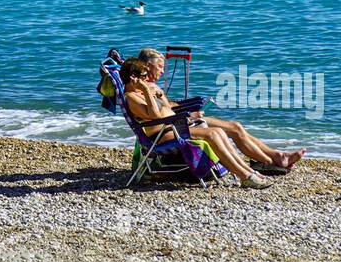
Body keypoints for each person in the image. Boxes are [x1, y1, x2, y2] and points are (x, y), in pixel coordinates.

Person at [137, 48, 305, 172]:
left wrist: (187, 110)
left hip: (180, 119)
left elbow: (165, 107)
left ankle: (277, 156)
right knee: (220, 131)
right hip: (172, 127)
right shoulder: (140, 90)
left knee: (235, 126)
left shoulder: (152, 85)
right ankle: (268, 162)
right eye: (159, 66)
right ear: (146, 66)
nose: (162, 71)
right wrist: (185, 114)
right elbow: (153, 117)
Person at [120, 57, 273, 188]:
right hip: (160, 135)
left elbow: (164, 109)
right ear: (134, 78)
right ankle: (245, 176)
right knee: (212, 134)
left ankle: (247, 171)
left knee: (218, 131)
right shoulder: (132, 97)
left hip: (172, 127)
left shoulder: (139, 93)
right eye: (144, 76)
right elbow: (154, 115)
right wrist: (147, 91)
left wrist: (158, 95)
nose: (147, 79)